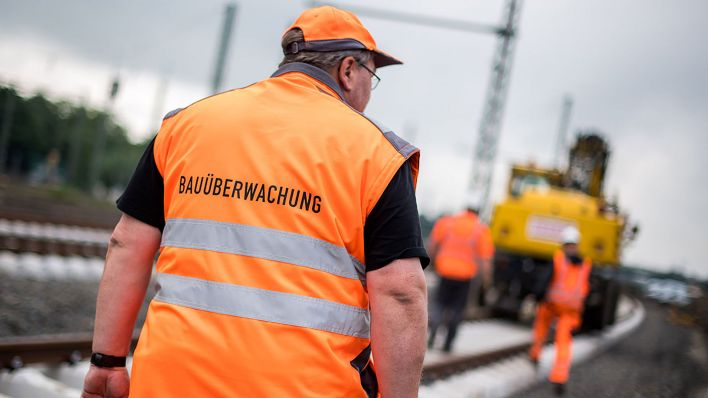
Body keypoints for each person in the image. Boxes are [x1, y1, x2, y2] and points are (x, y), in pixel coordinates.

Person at [81, 6, 430, 398]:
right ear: (348, 70)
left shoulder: (187, 125)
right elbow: (400, 293)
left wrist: (107, 362)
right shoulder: (376, 154)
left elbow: (126, 243)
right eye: (372, 76)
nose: (369, 90)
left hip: (169, 381)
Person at [528, 226, 592, 395]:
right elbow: (587, 290)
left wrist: (535, 298)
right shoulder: (586, 265)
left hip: (552, 305)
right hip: (570, 310)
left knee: (541, 327)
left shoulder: (558, 260)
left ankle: (535, 355)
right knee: (564, 343)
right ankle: (559, 377)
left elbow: (544, 281)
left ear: (564, 244)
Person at [426, 195, 494, 352]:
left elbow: (433, 243)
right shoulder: (481, 230)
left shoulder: (448, 222)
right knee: (457, 309)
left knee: (440, 304)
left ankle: (432, 335)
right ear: (477, 212)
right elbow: (485, 260)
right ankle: (448, 344)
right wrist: (487, 281)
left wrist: (432, 263)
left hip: (445, 271)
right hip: (464, 276)